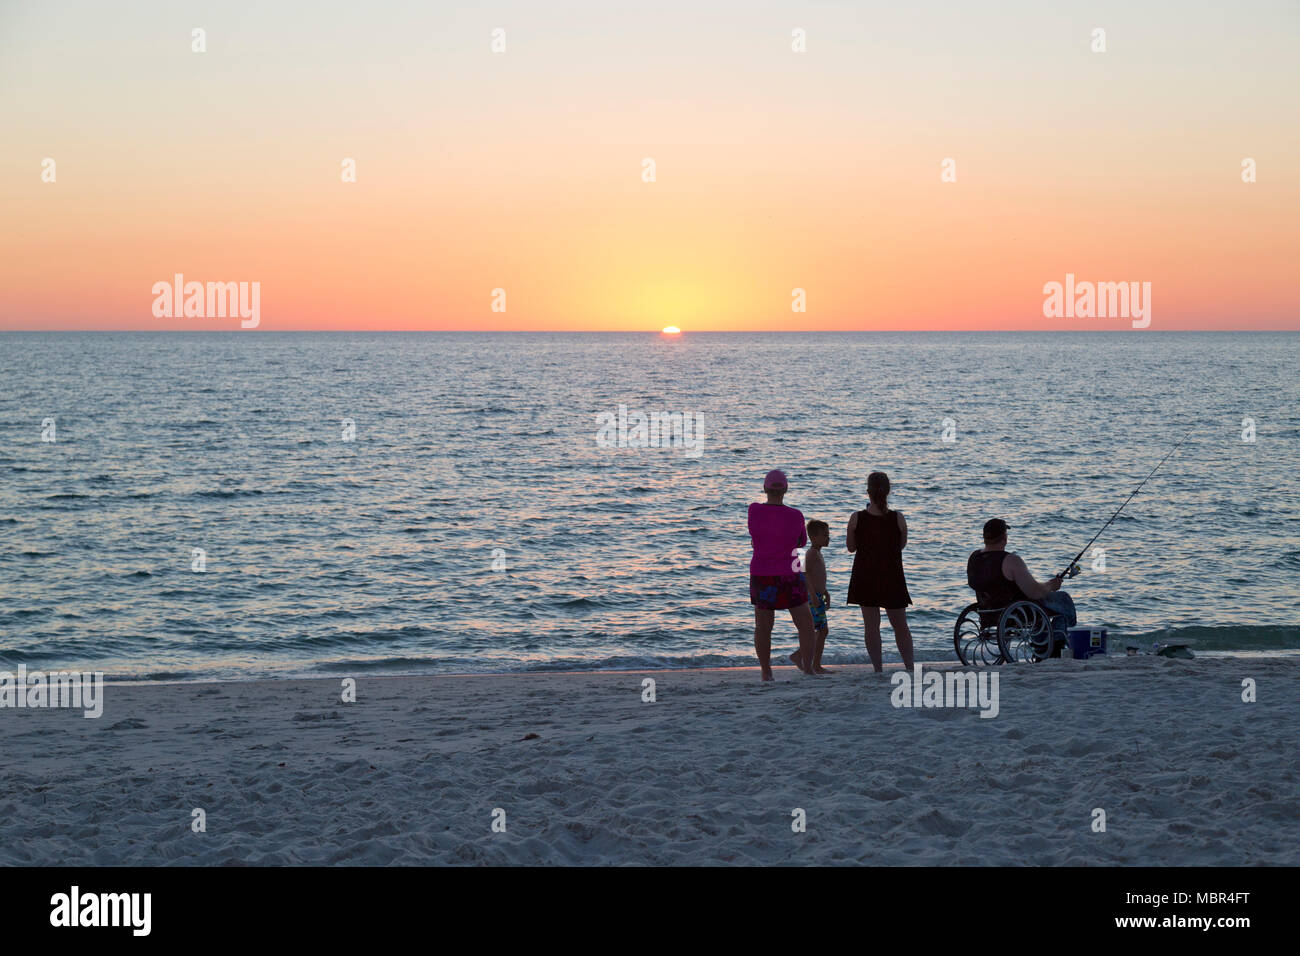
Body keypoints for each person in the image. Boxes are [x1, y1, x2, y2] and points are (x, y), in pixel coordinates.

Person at [966, 518, 1077, 655]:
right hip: (1017, 612)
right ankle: (1053, 646)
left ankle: (1043, 645)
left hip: (988, 611)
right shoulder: (1011, 560)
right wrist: (1051, 585)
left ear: (985, 537)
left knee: (1044, 603)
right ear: (1004, 538)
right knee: (1063, 599)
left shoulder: (974, 558)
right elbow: (1035, 592)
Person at [748, 469, 818, 680]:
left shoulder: (754, 510)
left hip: (762, 574)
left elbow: (754, 535)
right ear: (786, 489)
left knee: (763, 627)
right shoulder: (795, 515)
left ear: (764, 488)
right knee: (806, 625)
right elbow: (802, 542)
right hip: (790, 574)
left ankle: (766, 672)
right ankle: (807, 668)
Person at [846, 471, 915, 672]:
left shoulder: (857, 518)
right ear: (888, 491)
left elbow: (851, 547)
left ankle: (878, 669)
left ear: (867, 491)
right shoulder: (898, 518)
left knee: (871, 627)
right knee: (900, 626)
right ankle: (910, 667)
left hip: (865, 577)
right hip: (892, 577)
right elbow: (901, 546)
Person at [790, 519, 832, 673]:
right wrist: (813, 595)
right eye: (825, 535)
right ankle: (808, 661)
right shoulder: (812, 553)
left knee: (822, 630)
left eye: (828, 535)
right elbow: (805, 574)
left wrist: (825, 592)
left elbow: (817, 576)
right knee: (820, 630)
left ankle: (809, 660)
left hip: (818, 596)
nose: (828, 538)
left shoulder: (818, 553)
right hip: (812, 598)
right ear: (813, 537)